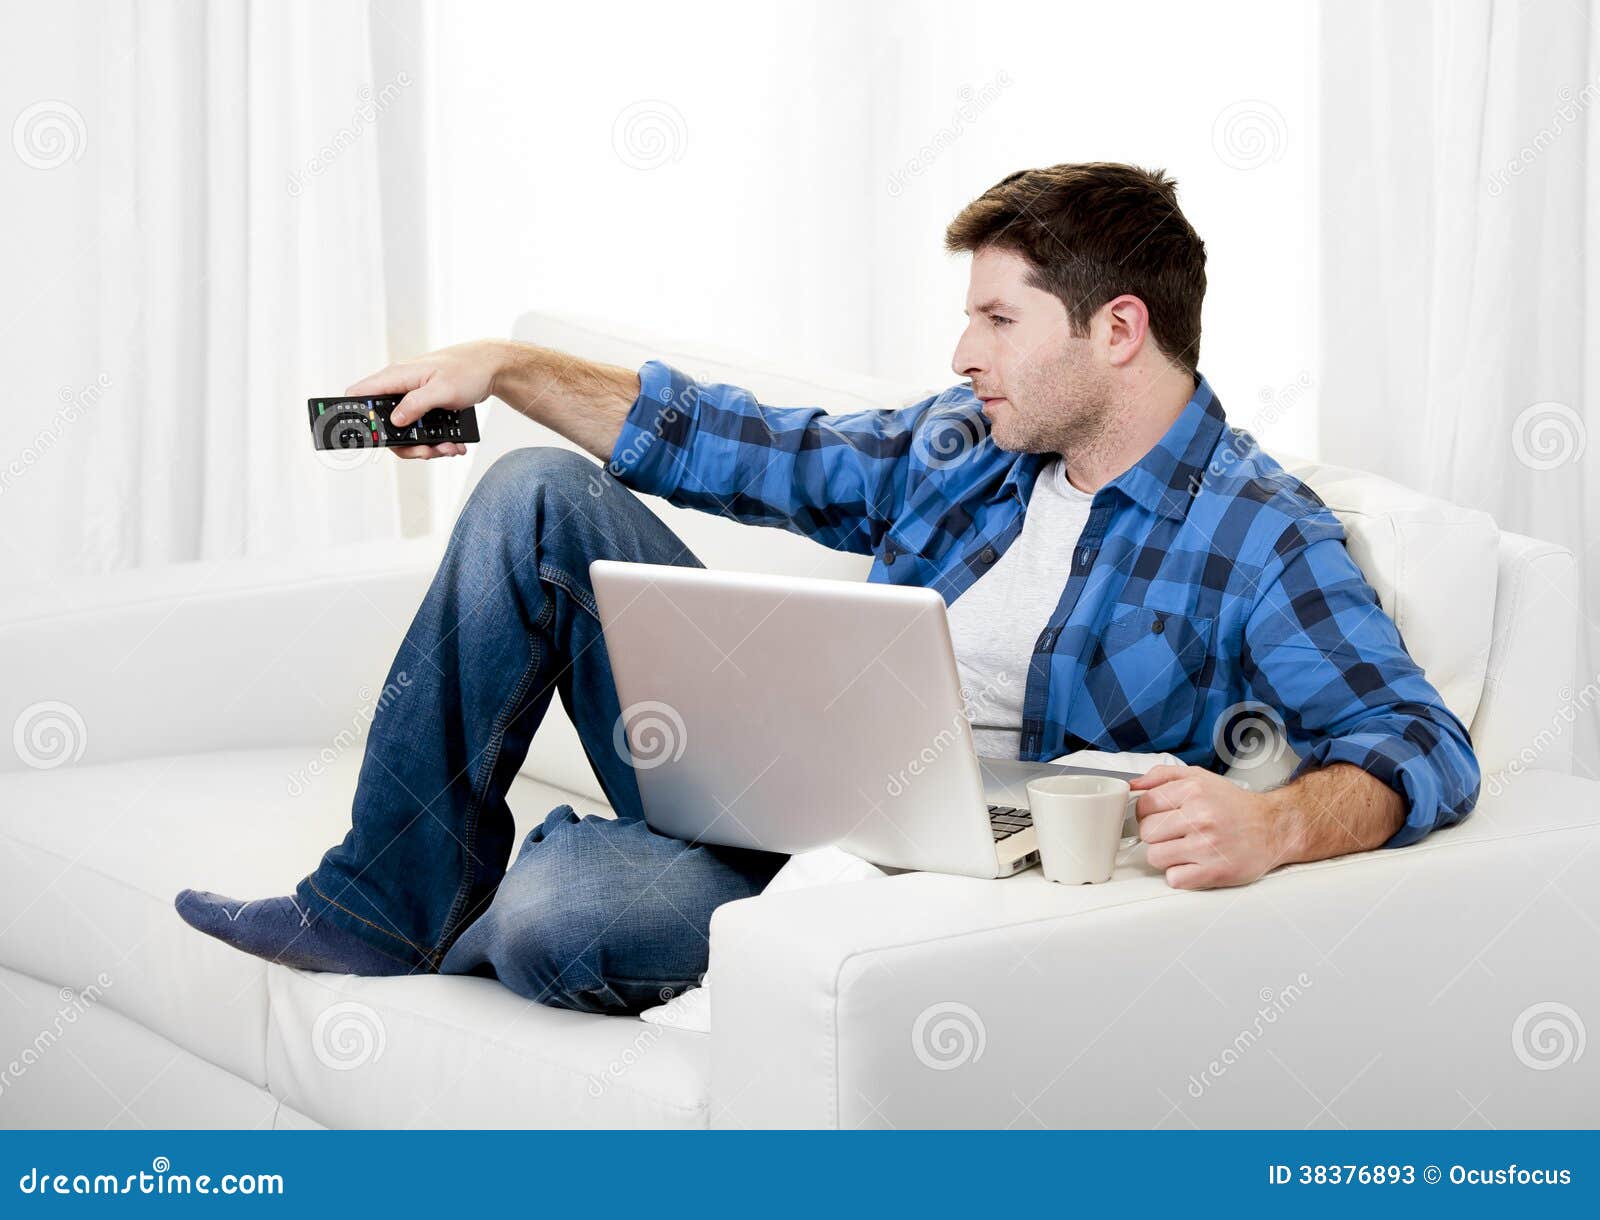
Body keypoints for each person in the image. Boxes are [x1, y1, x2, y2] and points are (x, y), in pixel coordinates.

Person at [176, 162, 1480, 1014]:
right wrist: (509, 367)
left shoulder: (1261, 537)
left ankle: (527, 883)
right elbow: (742, 445)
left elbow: (1413, 745)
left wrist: (1276, 827)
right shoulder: (973, 445)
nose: (961, 350)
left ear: (1120, 329)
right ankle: (376, 904)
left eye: (998, 320)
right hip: (776, 769)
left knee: (554, 932)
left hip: (918, 874)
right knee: (531, 497)